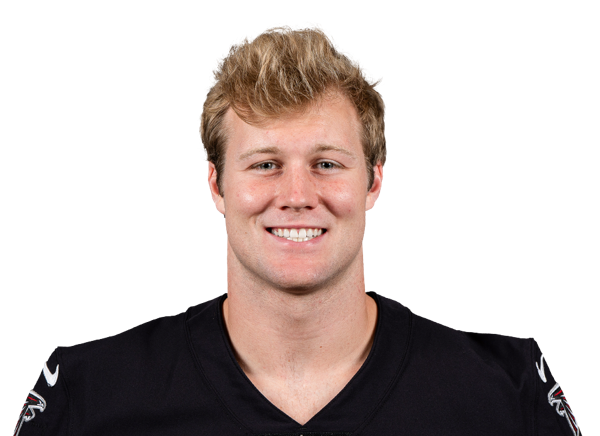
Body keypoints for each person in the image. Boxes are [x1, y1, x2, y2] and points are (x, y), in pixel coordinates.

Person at [13, 23, 580, 435]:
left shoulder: (509, 395)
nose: (297, 195)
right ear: (216, 185)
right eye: (265, 164)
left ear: (374, 182)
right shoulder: (85, 395)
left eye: (327, 163)